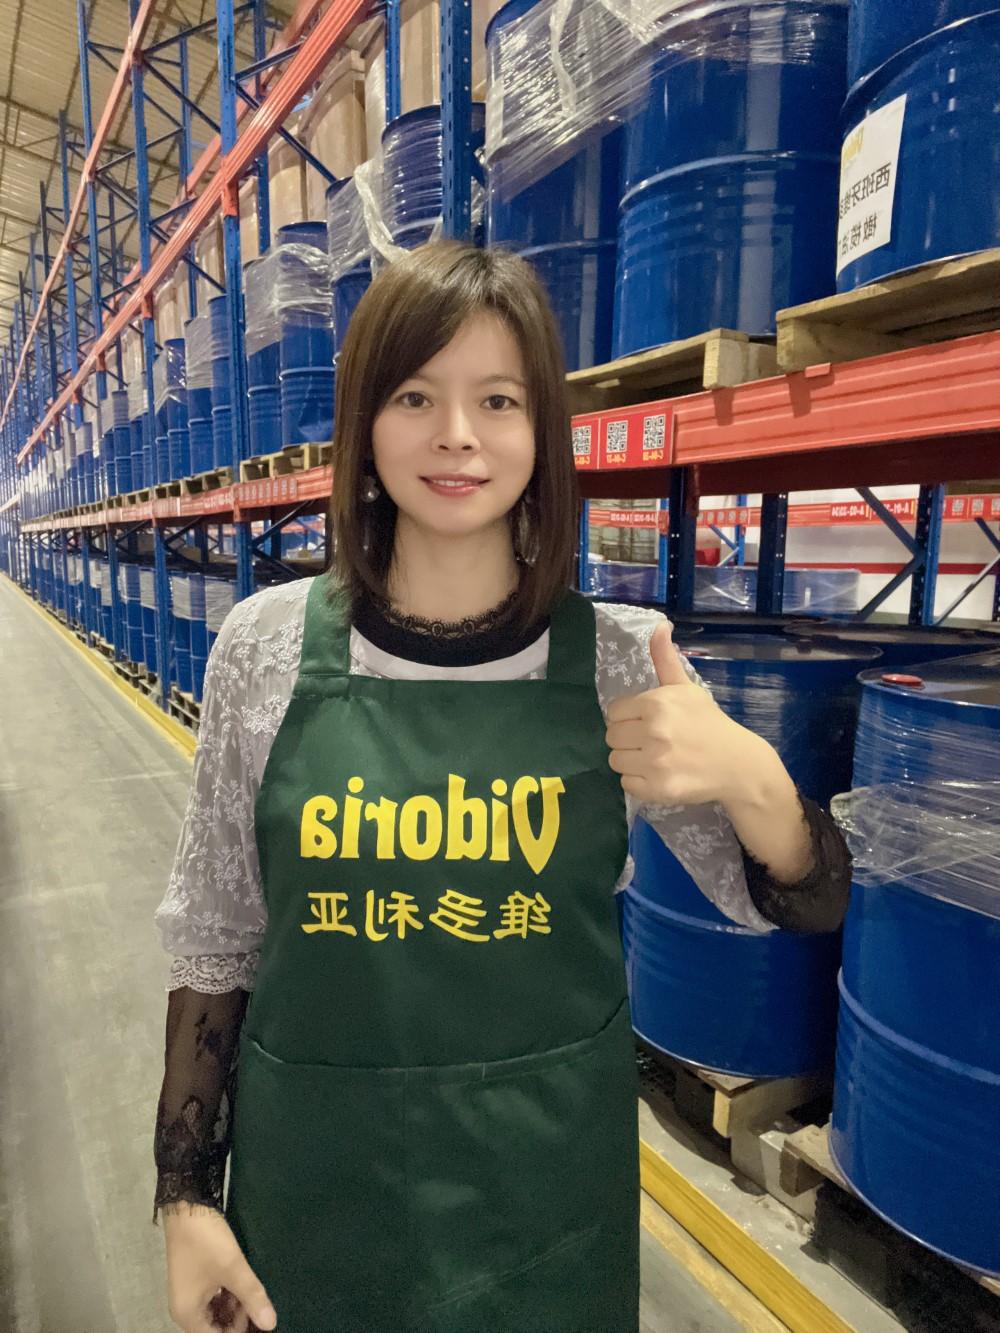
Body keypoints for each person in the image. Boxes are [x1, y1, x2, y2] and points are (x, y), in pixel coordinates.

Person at [153, 241, 851, 1332]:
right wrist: (186, 1195)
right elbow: (215, 940)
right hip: (317, 1188)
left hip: (540, 1202)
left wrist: (753, 778)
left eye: (498, 399)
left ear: (541, 432)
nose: (457, 435)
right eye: (415, 396)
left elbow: (806, 900)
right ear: (365, 424)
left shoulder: (620, 660)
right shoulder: (266, 648)